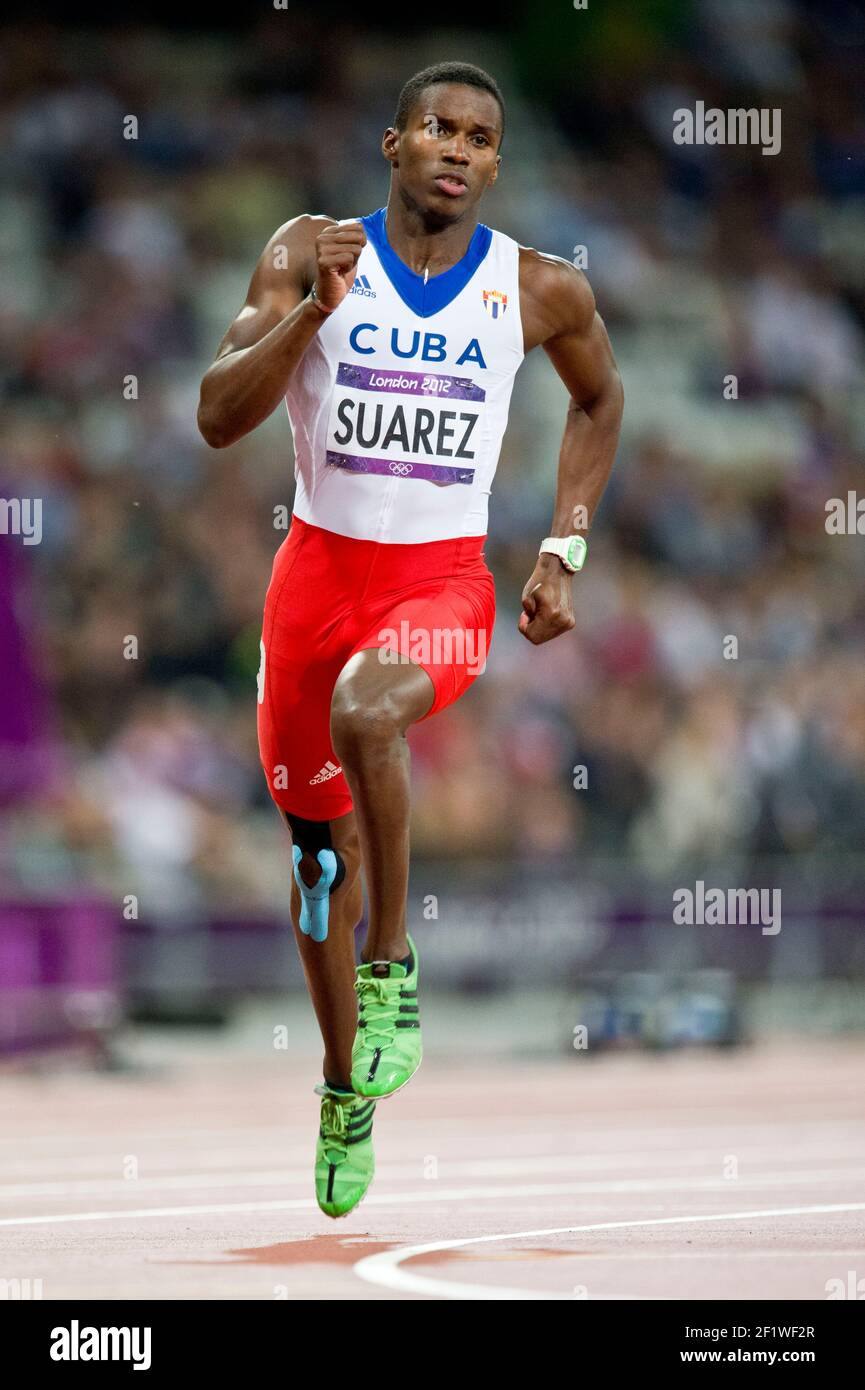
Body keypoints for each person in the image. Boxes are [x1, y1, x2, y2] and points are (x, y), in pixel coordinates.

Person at [197, 60, 623, 1218]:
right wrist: (306, 319)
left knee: (369, 708)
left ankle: (393, 961)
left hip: (441, 583)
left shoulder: (538, 290)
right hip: (315, 584)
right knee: (314, 861)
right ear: (391, 145)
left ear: (494, 164)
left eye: (478, 136)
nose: (454, 147)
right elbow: (216, 415)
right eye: (433, 126)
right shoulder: (308, 251)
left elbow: (600, 400)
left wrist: (562, 548)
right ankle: (343, 1088)